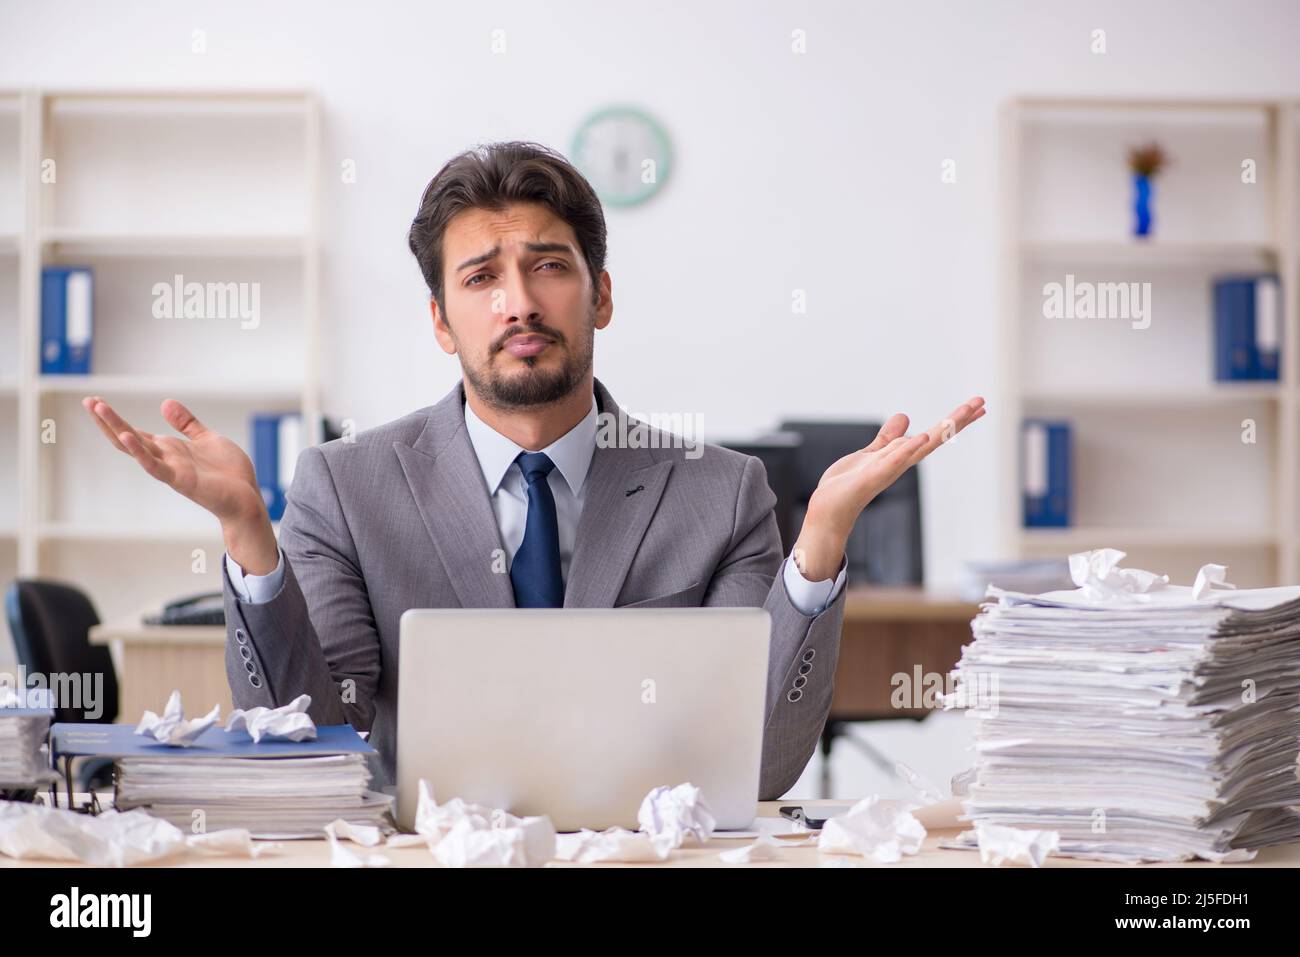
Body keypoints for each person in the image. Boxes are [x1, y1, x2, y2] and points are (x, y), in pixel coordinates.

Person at [84, 141, 985, 798]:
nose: (518, 301)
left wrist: (819, 543)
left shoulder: (723, 490)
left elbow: (758, 761)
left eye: (548, 266)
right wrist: (249, 536)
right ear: (441, 322)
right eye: (480, 277)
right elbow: (320, 734)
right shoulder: (344, 486)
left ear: (598, 293)